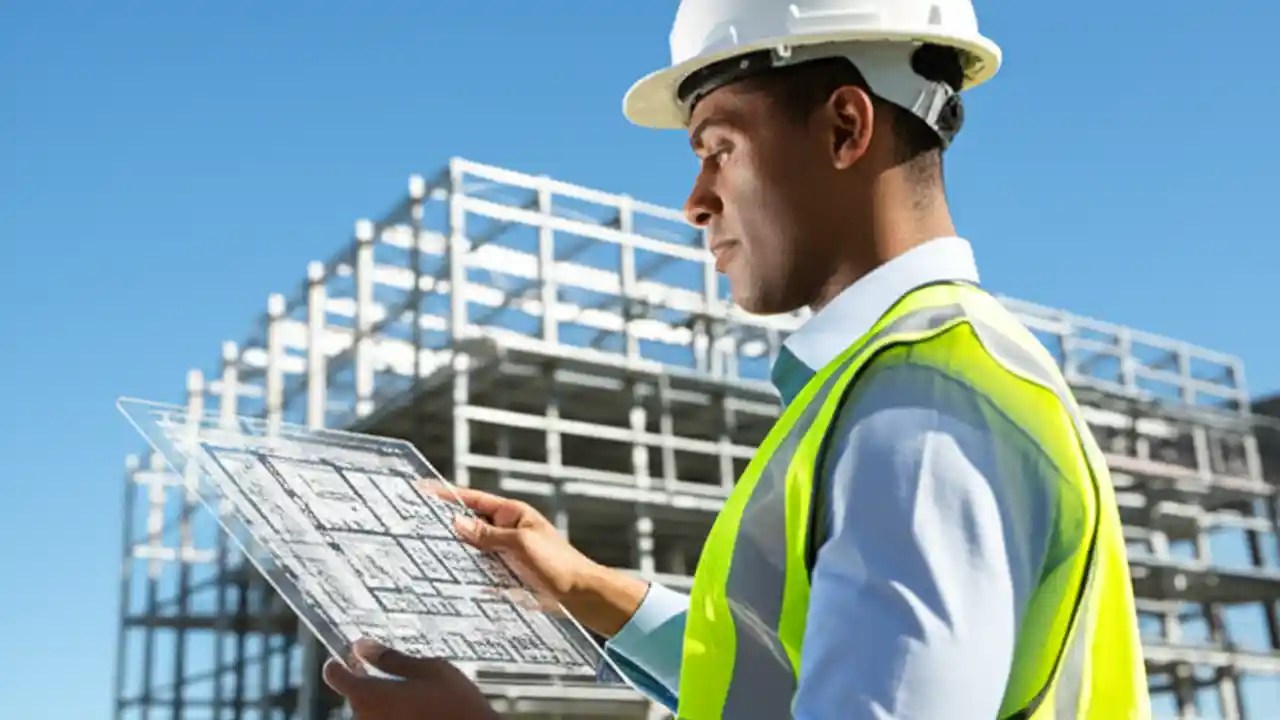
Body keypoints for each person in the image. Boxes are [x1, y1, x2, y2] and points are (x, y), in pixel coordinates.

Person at [324, 0, 1152, 717]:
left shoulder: (922, 409)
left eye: (716, 149)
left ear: (844, 127)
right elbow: (787, 681)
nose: (694, 202)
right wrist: (586, 589)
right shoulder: (909, 381)